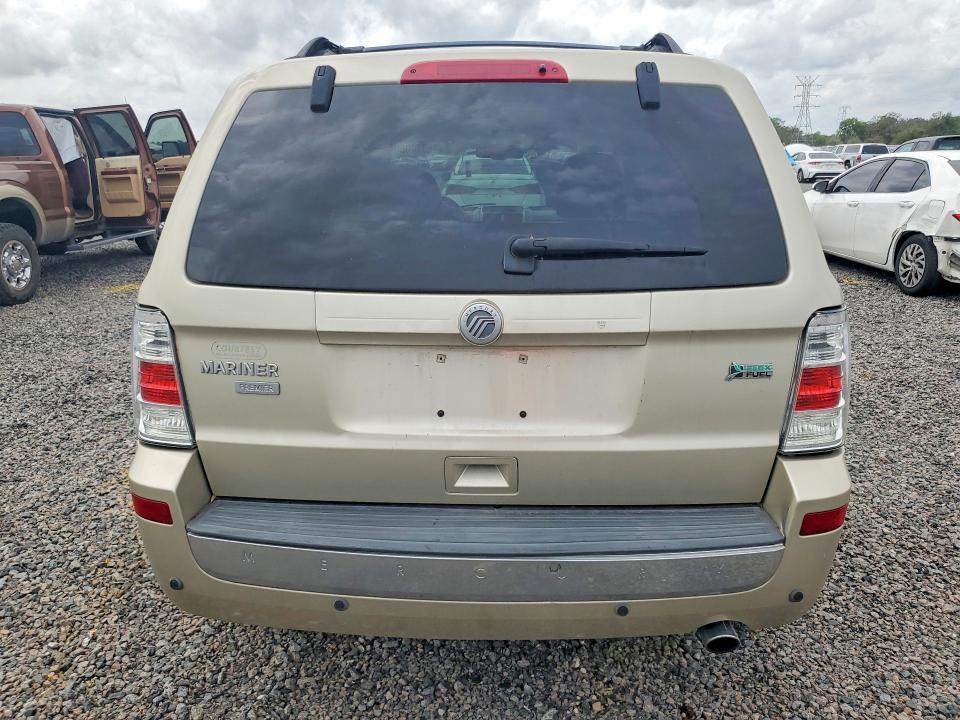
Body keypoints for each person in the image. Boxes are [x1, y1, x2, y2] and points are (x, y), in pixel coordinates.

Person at [42, 116, 92, 213]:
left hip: (54, 157)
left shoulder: (44, 120)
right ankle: (80, 208)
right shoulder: (66, 121)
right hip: (70, 156)